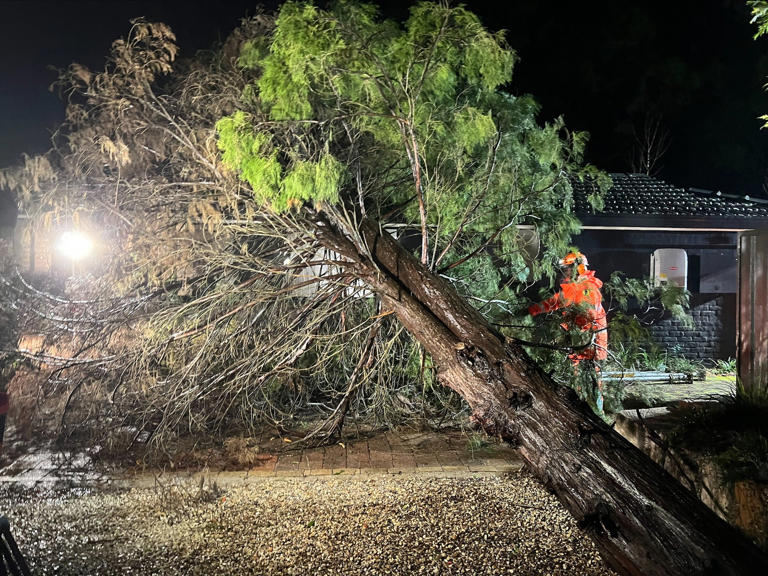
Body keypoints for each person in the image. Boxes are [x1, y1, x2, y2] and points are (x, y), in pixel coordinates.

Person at [529, 251, 608, 413]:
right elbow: (555, 301)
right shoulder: (574, 288)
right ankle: (581, 410)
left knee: (593, 379)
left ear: (577, 268)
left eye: (567, 269)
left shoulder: (588, 288)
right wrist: (531, 310)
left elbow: (588, 314)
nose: (565, 273)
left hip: (592, 342)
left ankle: (598, 413)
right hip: (578, 340)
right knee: (577, 376)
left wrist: (564, 327)